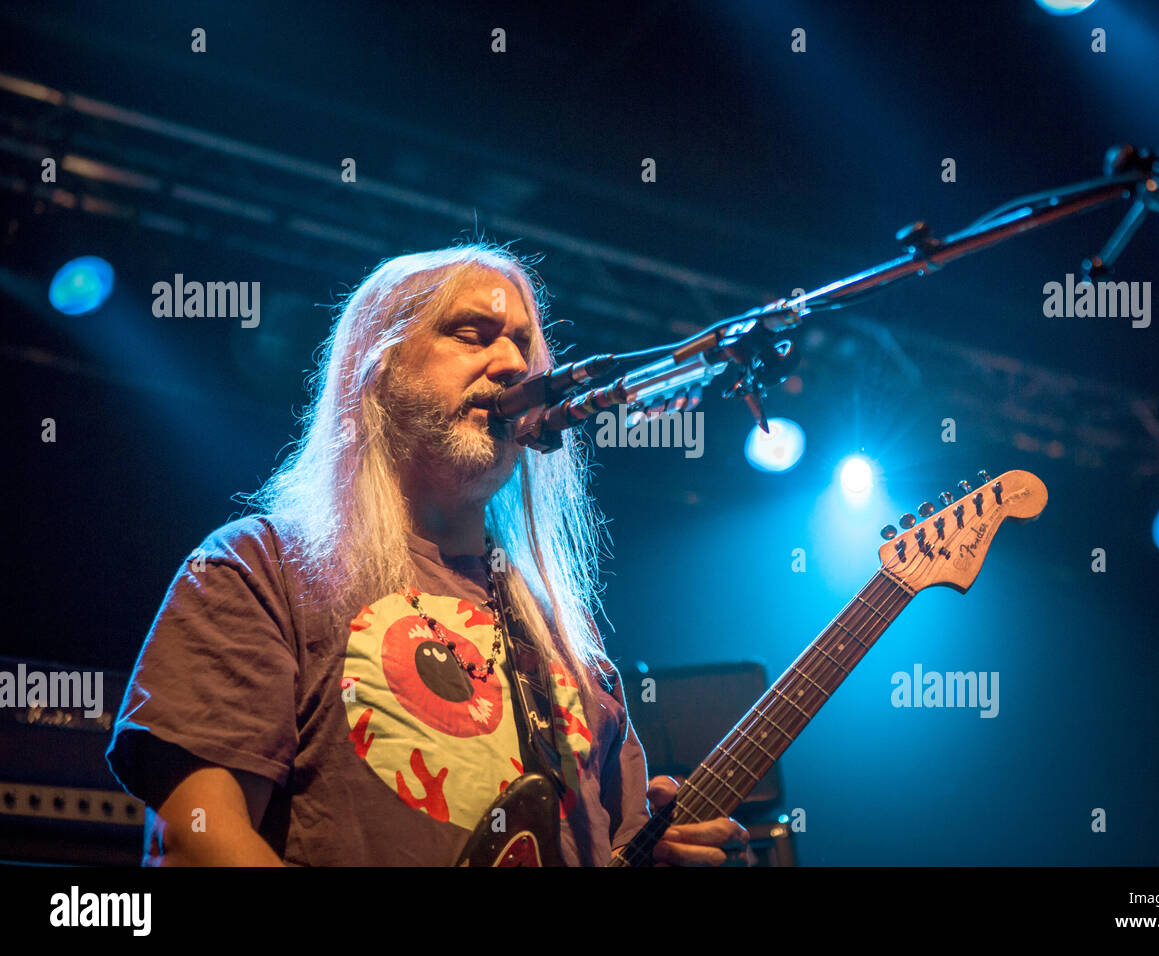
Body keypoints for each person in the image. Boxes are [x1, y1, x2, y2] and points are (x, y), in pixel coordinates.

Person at [106, 243, 747, 866]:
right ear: (378, 369)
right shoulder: (262, 569)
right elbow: (197, 841)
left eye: (523, 345)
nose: (512, 367)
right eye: (473, 334)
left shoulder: (568, 652)